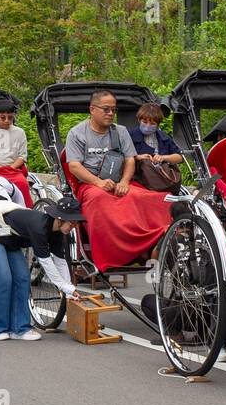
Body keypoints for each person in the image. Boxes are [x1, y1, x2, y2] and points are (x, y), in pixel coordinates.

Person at [63, 90, 172, 271]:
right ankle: (117, 255)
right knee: (101, 201)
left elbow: (130, 159)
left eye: (113, 110)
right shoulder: (77, 133)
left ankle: (156, 241)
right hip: (91, 185)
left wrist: (124, 182)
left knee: (155, 198)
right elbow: (74, 166)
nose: (111, 114)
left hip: (120, 181)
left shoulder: (120, 131)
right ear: (92, 109)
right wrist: (98, 183)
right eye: (106, 109)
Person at [0, 196, 87, 341]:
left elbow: (60, 262)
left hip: (11, 241)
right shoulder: (39, 227)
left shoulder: (58, 232)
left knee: (22, 278)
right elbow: (46, 263)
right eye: (72, 223)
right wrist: (66, 288)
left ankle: (19, 328)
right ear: (60, 219)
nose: (74, 227)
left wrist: (69, 289)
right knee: (2, 278)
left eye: (76, 223)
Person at [0, 104, 28, 171]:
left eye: (10, 117)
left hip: (14, 169)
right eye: (3, 118)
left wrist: (11, 168)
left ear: (14, 116)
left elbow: (22, 156)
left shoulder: (20, 132)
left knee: (22, 182)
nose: (6, 121)